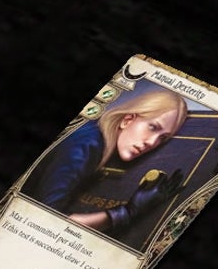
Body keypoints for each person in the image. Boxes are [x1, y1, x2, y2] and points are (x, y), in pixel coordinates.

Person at [25, 88, 188, 236]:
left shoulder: (97, 137)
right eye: (153, 127)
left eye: (162, 138)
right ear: (127, 120)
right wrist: (127, 212)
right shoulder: (85, 146)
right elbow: (45, 220)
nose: (152, 142)